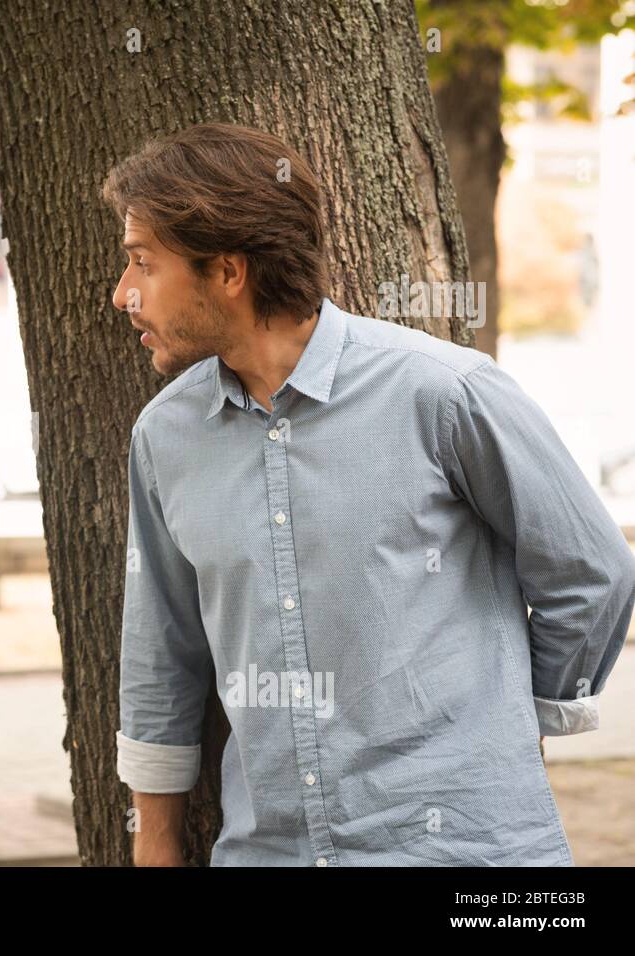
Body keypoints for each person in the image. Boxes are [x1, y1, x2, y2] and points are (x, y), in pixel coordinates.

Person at [104, 122, 635, 866]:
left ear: (227, 271)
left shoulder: (445, 394)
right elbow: (161, 655)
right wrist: (154, 847)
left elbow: (591, 570)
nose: (123, 293)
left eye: (142, 264)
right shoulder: (166, 436)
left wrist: (513, 721)